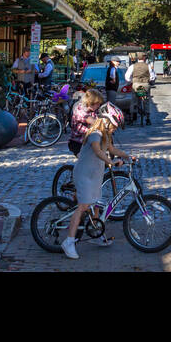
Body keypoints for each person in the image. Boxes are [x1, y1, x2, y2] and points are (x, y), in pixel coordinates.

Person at [62, 104, 132, 259]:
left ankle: (96, 235)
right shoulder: (95, 133)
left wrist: (127, 156)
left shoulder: (106, 135)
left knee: (96, 206)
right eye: (114, 125)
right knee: (82, 207)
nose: (115, 128)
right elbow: (98, 150)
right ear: (106, 121)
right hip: (84, 174)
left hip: (94, 174)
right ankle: (69, 241)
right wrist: (110, 162)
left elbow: (112, 150)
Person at [128, 53, 152, 125]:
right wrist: (149, 81)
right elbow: (153, 76)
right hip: (145, 85)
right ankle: (148, 119)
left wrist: (131, 81)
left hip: (136, 85)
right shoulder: (148, 66)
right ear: (144, 58)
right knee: (146, 101)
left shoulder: (133, 66)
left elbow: (127, 76)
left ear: (137, 58)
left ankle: (132, 118)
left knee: (133, 100)